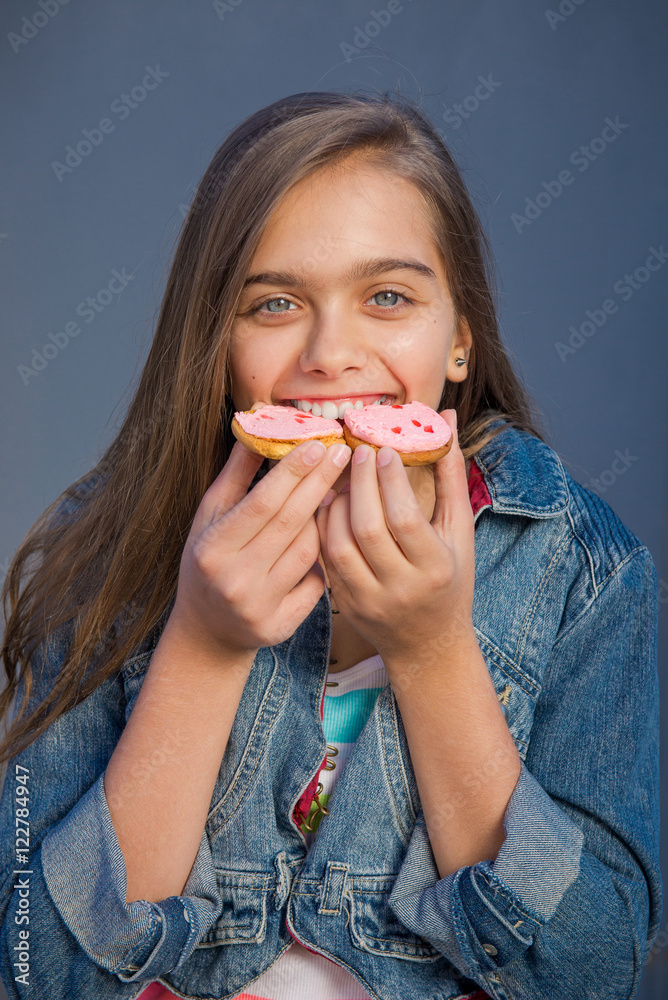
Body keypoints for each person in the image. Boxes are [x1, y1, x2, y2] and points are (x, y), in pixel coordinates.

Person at [0, 90, 661, 1000]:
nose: (332, 354)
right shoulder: (104, 550)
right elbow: (32, 969)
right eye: (274, 305)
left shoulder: (587, 569)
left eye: (387, 296)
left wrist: (432, 653)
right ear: (217, 344)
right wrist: (200, 644)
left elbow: (594, 973)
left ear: (459, 339)